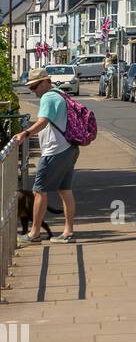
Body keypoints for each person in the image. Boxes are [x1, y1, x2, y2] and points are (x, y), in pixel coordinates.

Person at [13, 67, 79, 242]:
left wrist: (24, 134)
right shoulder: (61, 95)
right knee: (65, 190)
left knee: (39, 191)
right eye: (31, 87)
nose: (32, 90)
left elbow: (43, 122)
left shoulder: (48, 97)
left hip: (54, 150)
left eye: (35, 86)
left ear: (46, 82)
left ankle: (34, 234)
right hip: (69, 148)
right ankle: (68, 232)